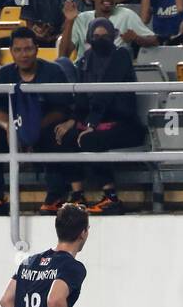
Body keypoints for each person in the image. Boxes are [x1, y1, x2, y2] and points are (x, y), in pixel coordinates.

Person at [0, 27, 73, 217]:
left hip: (44, 127)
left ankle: (56, 196)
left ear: (36, 49)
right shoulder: (4, 74)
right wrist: (9, 127)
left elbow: (62, 109)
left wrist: (33, 127)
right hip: (15, 129)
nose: (23, 54)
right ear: (11, 51)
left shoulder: (53, 71)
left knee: (57, 134)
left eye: (27, 49)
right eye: (18, 50)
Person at [57, 18, 146, 214]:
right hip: (95, 121)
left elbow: (106, 92)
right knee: (65, 136)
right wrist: (73, 120)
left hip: (125, 124)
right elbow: (81, 97)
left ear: (113, 36)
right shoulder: (86, 59)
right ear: (89, 38)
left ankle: (110, 196)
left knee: (90, 140)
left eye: (105, 36)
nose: (100, 40)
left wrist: (91, 124)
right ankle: (77, 195)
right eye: (96, 36)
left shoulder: (121, 55)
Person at [59, 0, 157, 59]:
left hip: (115, 74)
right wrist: (69, 21)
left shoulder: (127, 15)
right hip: (85, 72)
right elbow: (63, 55)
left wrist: (137, 38)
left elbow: (154, 41)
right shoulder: (81, 18)